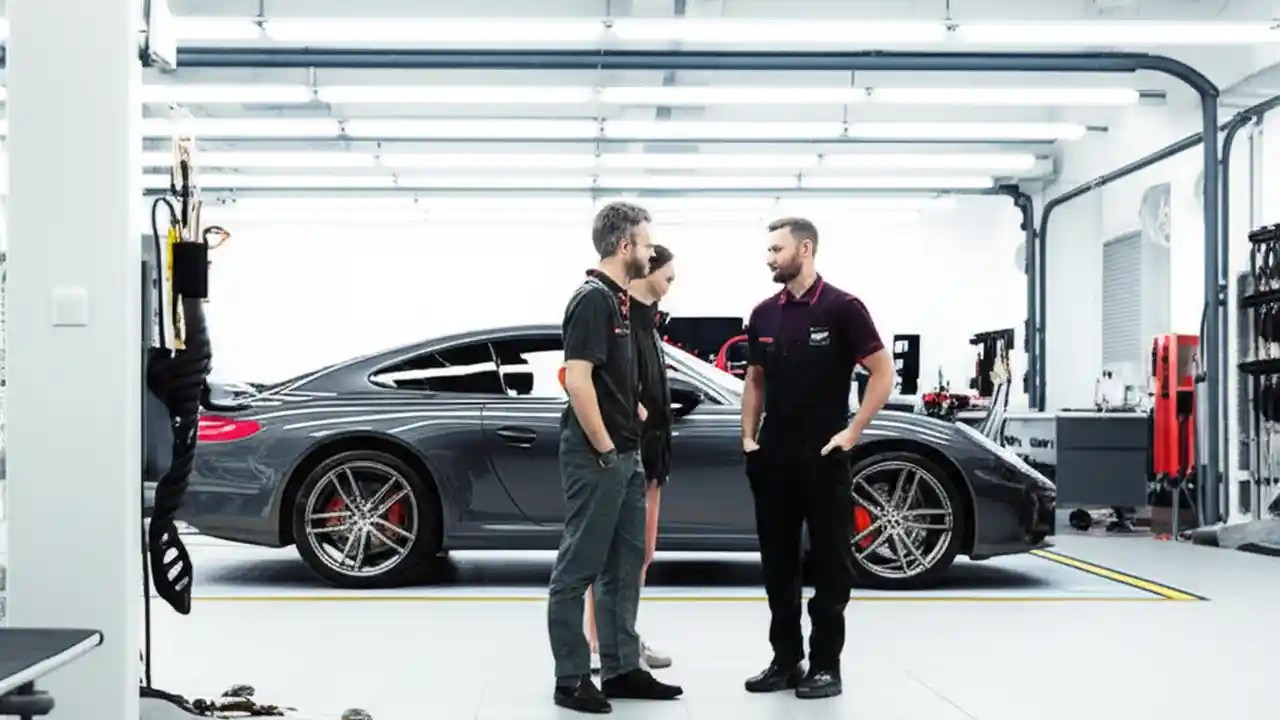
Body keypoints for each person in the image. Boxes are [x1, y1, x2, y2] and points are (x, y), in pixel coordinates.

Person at [740, 217, 894, 700]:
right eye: (767, 249)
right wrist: (748, 438)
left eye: (776, 249)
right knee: (776, 563)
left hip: (825, 456)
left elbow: (882, 371)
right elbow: (755, 381)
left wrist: (854, 430)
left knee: (830, 563)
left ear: (804, 249)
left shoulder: (843, 308)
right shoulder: (763, 313)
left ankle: (826, 664)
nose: (769, 257)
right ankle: (786, 660)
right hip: (775, 457)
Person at [547, 202, 684, 714]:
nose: (651, 252)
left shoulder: (622, 303)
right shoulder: (592, 301)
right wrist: (605, 446)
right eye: (647, 244)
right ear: (624, 246)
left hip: (628, 455)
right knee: (578, 567)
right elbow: (577, 380)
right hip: (597, 456)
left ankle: (623, 669)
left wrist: (635, 412)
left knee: (624, 567)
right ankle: (571, 678)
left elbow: (610, 378)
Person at [584, 243, 677, 674]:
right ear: (645, 269)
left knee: (639, 555)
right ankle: (602, 643)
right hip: (627, 451)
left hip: (651, 454)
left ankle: (622, 638)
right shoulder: (620, 320)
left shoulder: (647, 324)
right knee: (613, 557)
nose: (671, 285)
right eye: (668, 277)